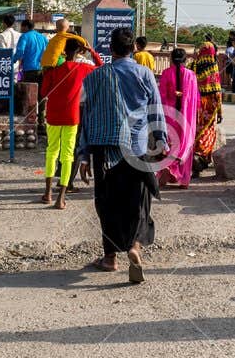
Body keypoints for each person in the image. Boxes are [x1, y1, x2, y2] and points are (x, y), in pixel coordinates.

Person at [81, 27, 167, 282]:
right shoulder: (144, 73)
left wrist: (83, 153)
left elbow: (86, 116)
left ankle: (109, 258)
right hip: (138, 148)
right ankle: (134, 248)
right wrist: (161, 139)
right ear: (133, 50)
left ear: (111, 50)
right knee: (137, 202)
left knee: (107, 202)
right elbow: (156, 109)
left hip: (103, 148)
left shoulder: (95, 77)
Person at [39, 37, 103, 208]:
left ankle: (47, 193)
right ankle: (61, 197)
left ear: (63, 51)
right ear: (80, 52)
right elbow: (101, 67)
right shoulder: (82, 68)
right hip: (72, 116)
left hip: (53, 115)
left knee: (52, 151)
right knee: (67, 155)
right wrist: (92, 51)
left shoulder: (53, 71)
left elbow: (44, 93)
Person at [157, 48, 199, 189]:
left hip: (170, 117)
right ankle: (184, 181)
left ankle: (164, 175)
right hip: (186, 119)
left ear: (171, 59)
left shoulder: (166, 73)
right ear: (185, 60)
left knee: (169, 144)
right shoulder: (191, 75)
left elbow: (161, 97)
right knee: (184, 144)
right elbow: (195, 99)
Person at [191, 37, 223, 174]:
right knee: (207, 134)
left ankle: (193, 161)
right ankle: (201, 160)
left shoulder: (193, 66)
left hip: (195, 105)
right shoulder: (214, 67)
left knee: (194, 133)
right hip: (209, 107)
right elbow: (217, 92)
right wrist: (220, 111)